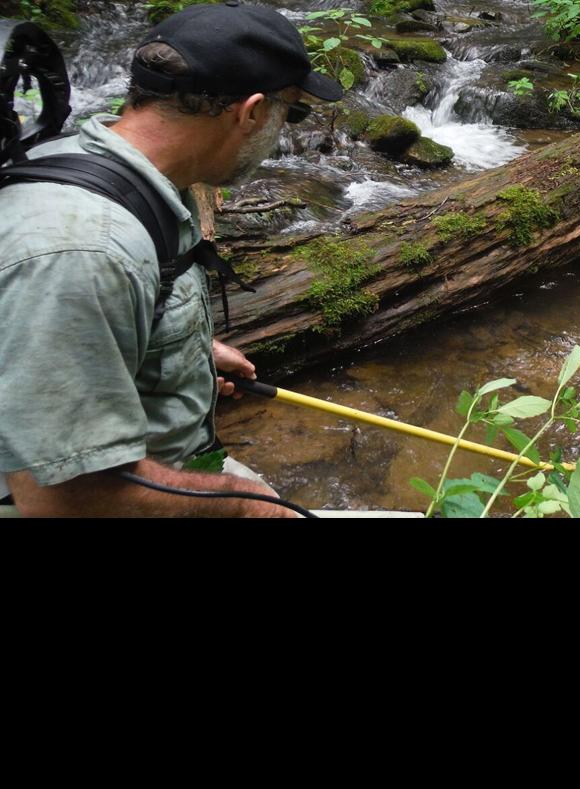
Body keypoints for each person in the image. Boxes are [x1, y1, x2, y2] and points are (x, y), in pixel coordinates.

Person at [0, 2, 343, 516]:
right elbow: (65, 498)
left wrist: (178, 345)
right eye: (288, 112)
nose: (281, 132)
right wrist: (246, 506)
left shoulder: (100, 162)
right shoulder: (85, 250)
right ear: (249, 112)